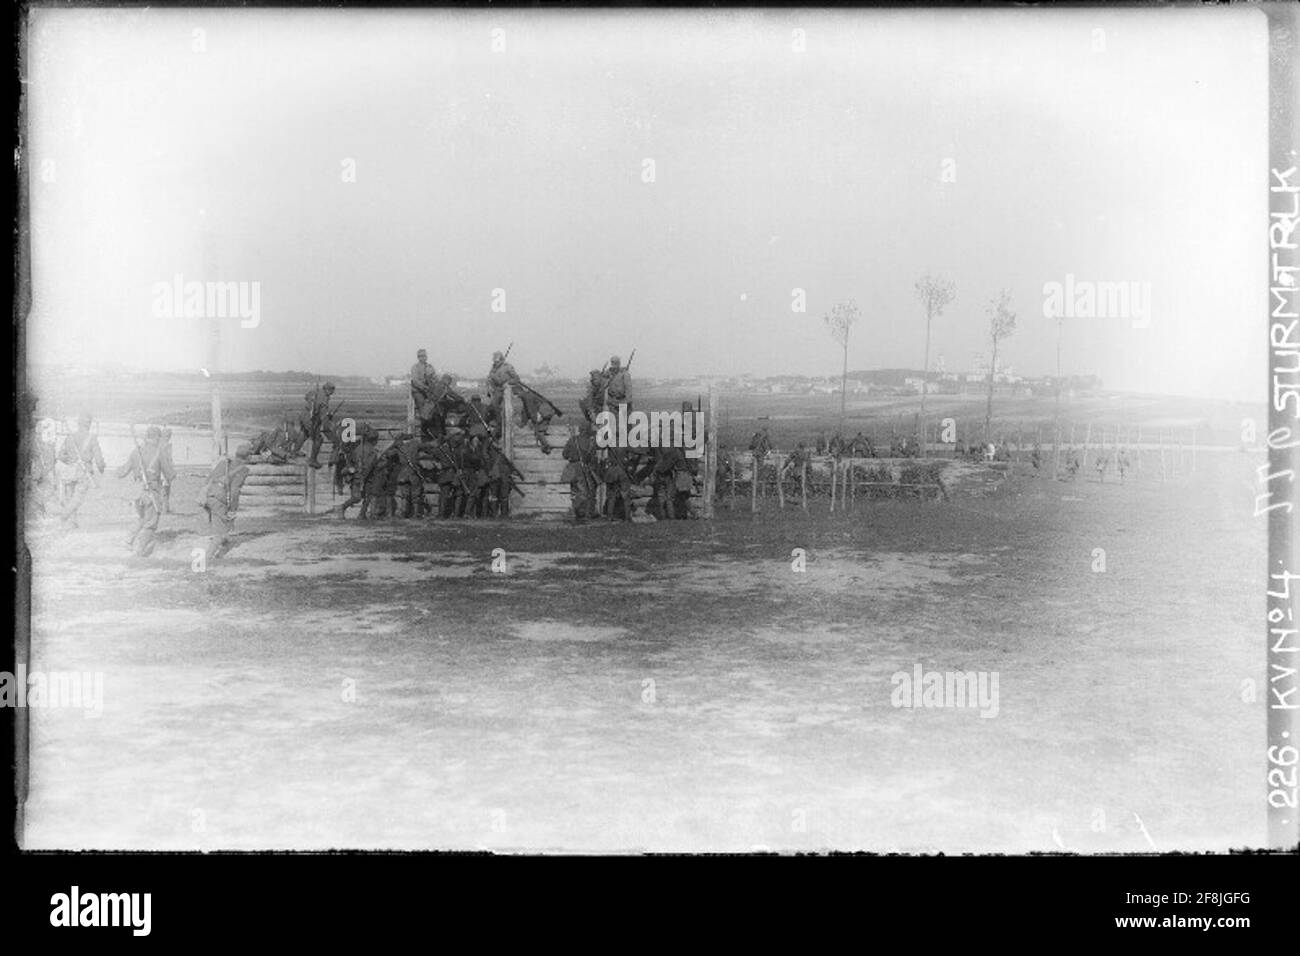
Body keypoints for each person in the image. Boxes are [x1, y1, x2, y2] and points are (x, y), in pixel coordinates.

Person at [117, 425, 174, 556]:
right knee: (151, 523)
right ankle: (140, 549)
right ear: (157, 438)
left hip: (137, 493)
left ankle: (128, 540)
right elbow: (170, 475)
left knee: (143, 517)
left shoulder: (136, 452)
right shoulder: (160, 453)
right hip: (151, 492)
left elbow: (123, 471)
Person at [199, 442, 251, 561]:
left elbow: (208, 479)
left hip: (207, 496)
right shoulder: (244, 469)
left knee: (220, 522)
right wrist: (233, 509)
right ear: (248, 457)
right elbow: (234, 491)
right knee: (220, 531)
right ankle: (207, 559)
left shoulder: (224, 463)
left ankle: (225, 541)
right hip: (218, 499)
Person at [56, 413, 107, 527]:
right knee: (78, 497)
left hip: (69, 471)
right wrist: (101, 468)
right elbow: (98, 457)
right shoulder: (92, 438)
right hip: (84, 472)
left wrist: (70, 460)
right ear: (89, 424)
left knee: (70, 496)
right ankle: (64, 516)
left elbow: (60, 455)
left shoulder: (70, 437)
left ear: (79, 423)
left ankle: (72, 522)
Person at [562, 423, 599, 523]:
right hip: (583, 469)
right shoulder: (590, 442)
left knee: (574, 492)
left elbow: (564, 455)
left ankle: (577, 514)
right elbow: (591, 458)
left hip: (572, 468)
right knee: (584, 492)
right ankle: (583, 516)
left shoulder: (572, 440)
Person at [299, 382, 335, 468]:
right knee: (318, 439)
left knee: (305, 434)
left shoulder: (314, 391)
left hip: (304, 415)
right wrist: (329, 424)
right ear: (327, 390)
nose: (331, 393)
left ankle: (294, 451)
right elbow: (323, 416)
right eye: (331, 391)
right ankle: (313, 460)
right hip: (311, 419)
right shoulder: (324, 399)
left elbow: (306, 397)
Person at [487, 351, 522, 431]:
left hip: (505, 390)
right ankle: (495, 422)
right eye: (494, 361)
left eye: (497, 360)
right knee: (492, 407)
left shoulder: (507, 367)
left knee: (499, 406)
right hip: (495, 390)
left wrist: (508, 383)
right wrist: (489, 389)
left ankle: (500, 423)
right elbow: (489, 379)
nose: (496, 362)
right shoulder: (493, 369)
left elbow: (516, 378)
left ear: (501, 360)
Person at [159, 427, 175, 513]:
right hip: (164, 470)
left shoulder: (165, 445)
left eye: (169, 436)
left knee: (165, 489)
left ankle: (165, 508)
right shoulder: (164, 446)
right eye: (167, 436)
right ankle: (164, 509)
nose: (168, 437)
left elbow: (169, 459)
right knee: (165, 489)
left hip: (165, 470)